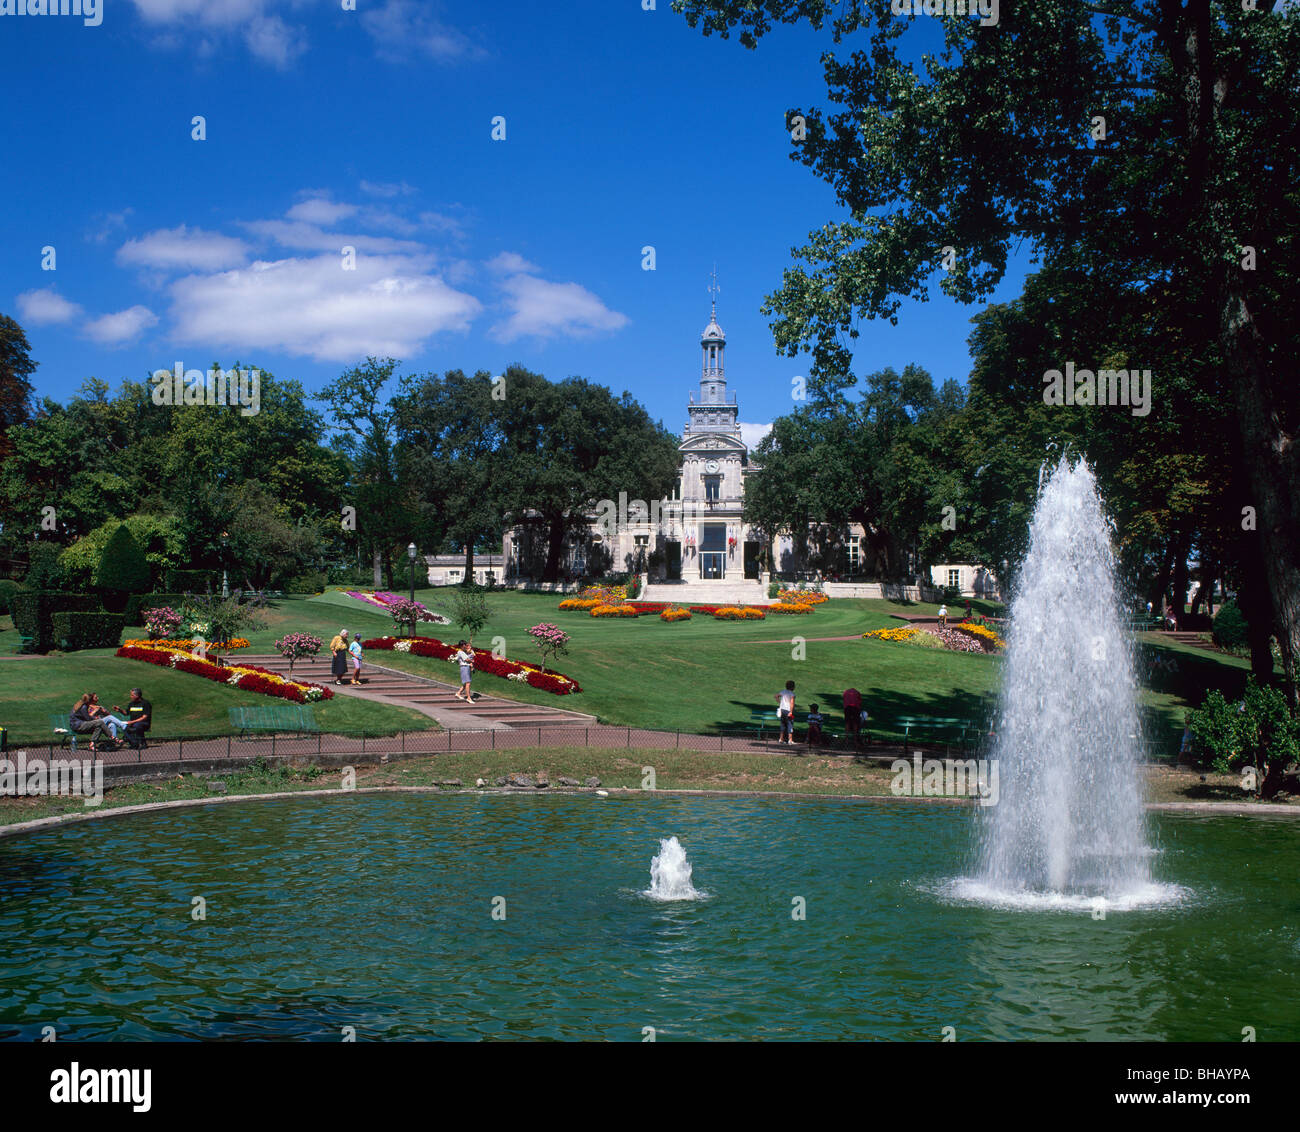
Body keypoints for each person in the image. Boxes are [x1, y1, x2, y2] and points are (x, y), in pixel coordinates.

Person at [775, 680, 796, 744]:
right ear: (793, 687)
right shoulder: (792, 694)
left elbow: (776, 696)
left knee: (783, 724)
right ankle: (790, 740)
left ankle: (781, 739)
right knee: (790, 724)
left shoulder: (783, 691)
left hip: (782, 710)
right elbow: (792, 703)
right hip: (788, 710)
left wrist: (780, 702)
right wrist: (791, 712)